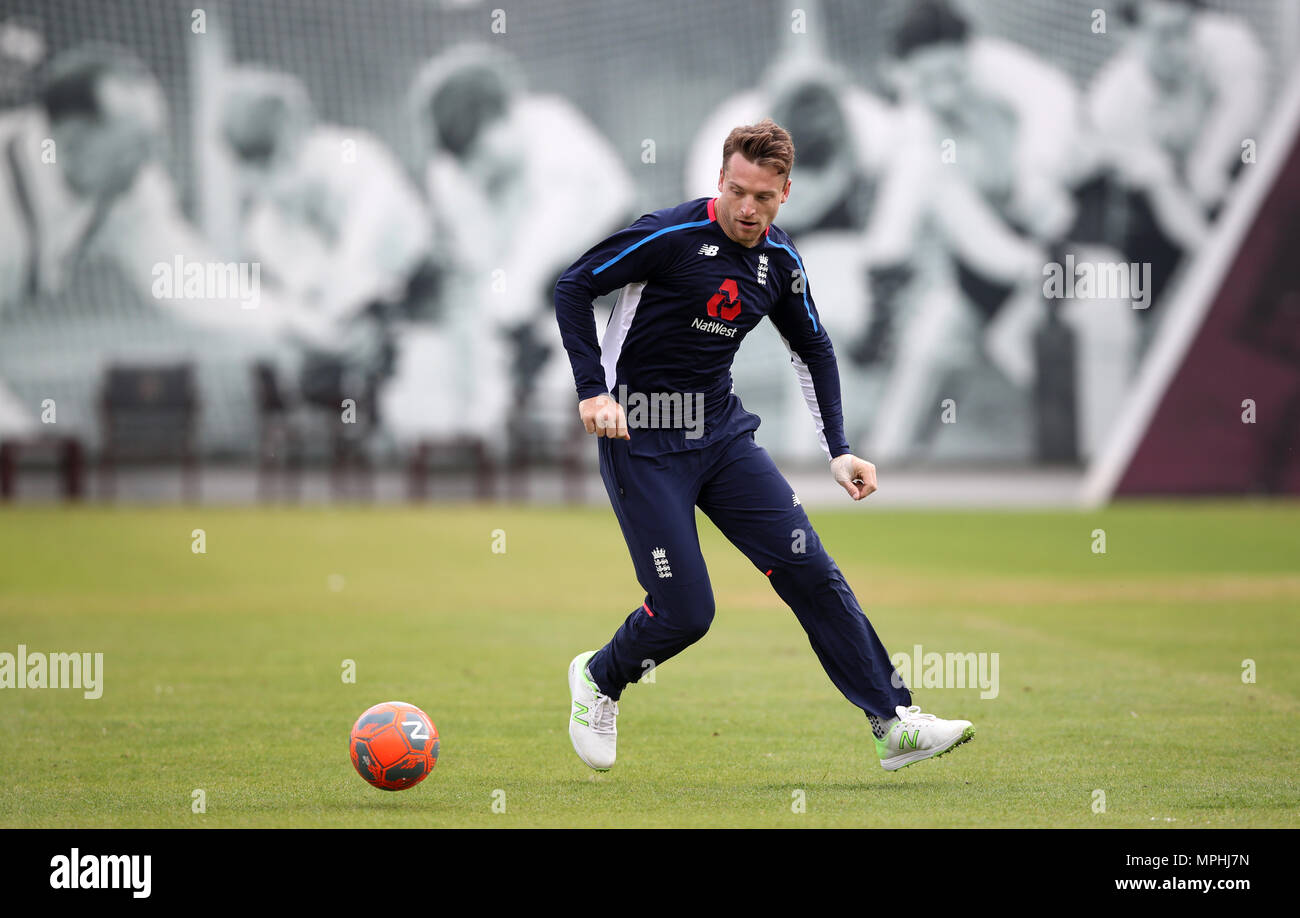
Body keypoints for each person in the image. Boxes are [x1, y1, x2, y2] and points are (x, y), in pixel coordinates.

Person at [553, 119, 974, 773]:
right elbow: (574, 284)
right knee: (687, 613)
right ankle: (601, 679)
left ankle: (893, 724)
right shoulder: (665, 235)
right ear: (720, 181)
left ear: (785, 193)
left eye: (764, 197)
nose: (748, 208)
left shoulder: (780, 262)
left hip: (722, 440)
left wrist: (840, 448)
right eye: (738, 191)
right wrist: (592, 391)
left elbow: (813, 347)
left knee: (810, 569)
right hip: (640, 440)